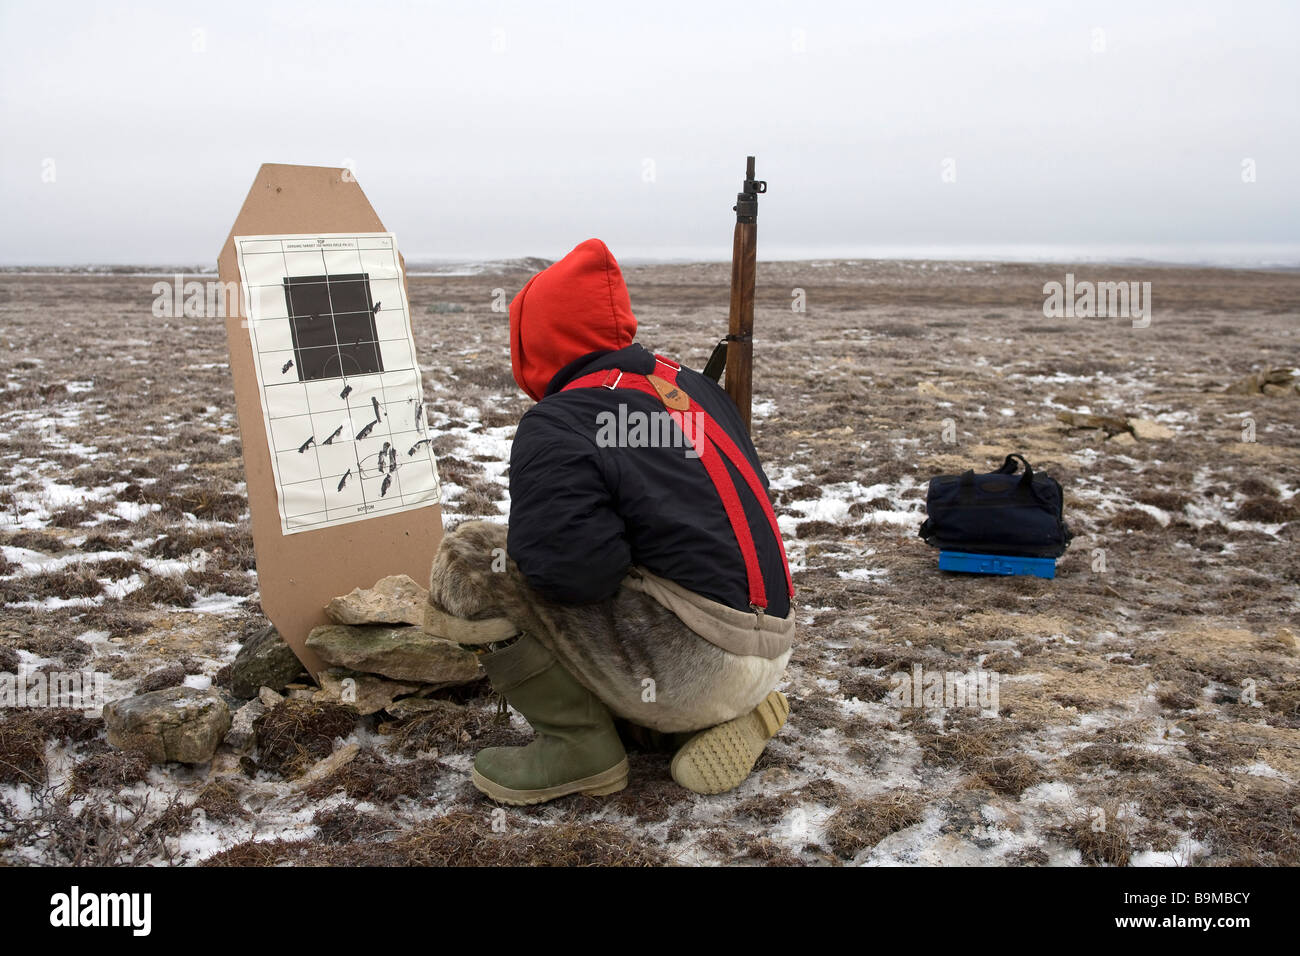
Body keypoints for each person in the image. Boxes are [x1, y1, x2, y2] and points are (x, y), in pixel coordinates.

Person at [424, 237, 796, 806]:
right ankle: (702, 718)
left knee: (470, 559)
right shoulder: (692, 385)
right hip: (773, 646)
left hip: (692, 662)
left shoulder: (561, 419)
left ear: (534, 340)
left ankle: (580, 747)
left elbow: (572, 576)